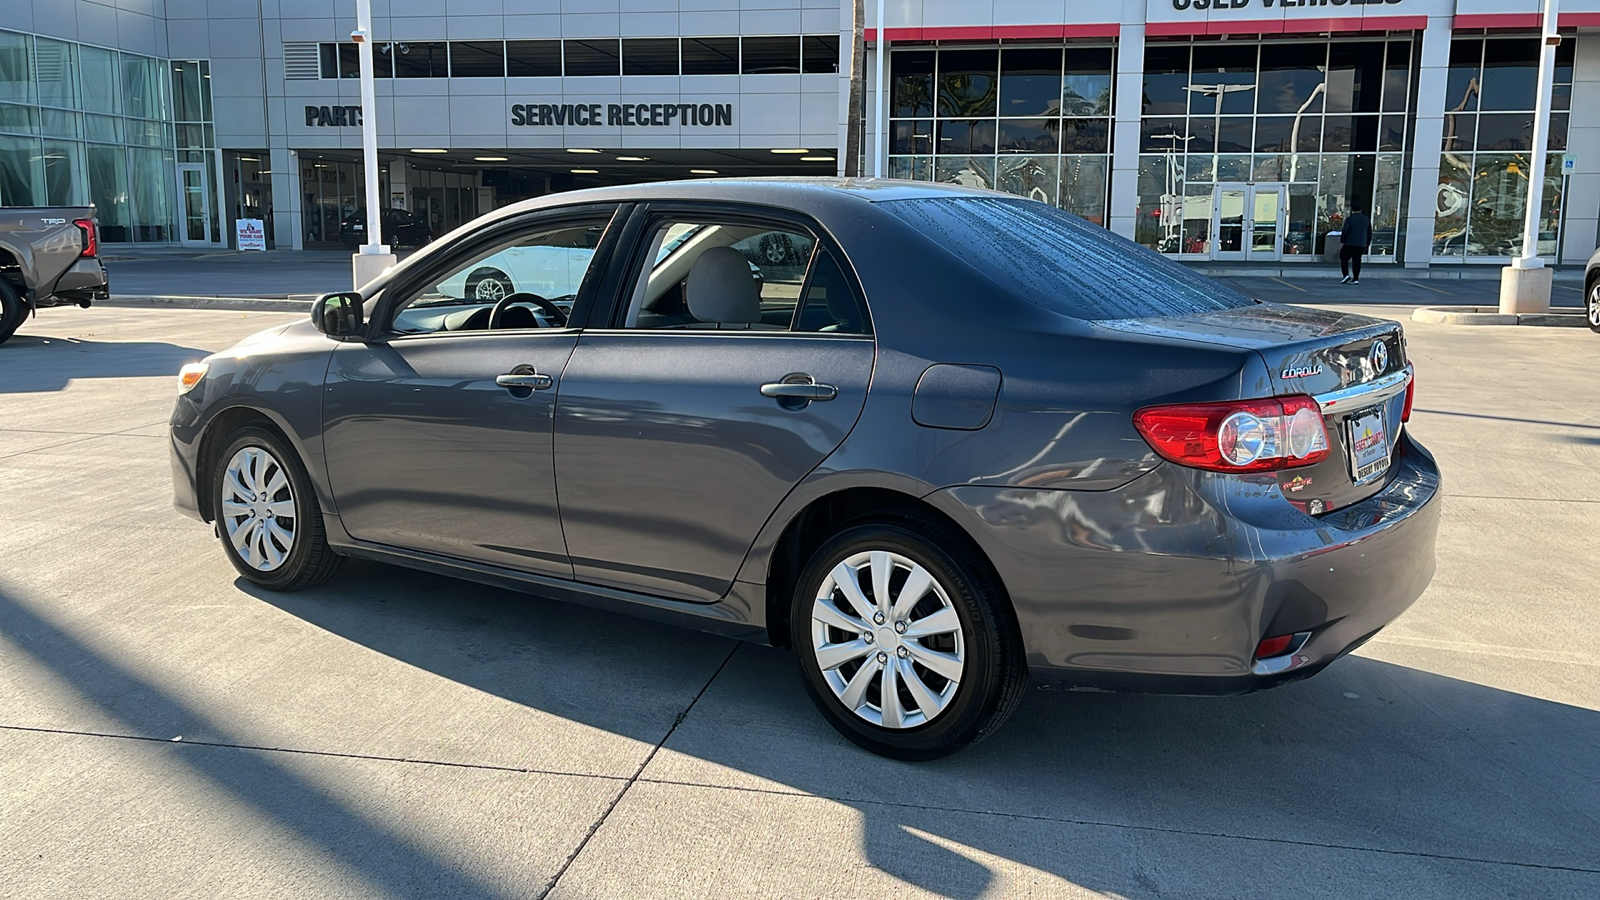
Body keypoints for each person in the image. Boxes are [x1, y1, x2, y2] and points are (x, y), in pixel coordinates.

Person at [1340, 207, 1371, 284]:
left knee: (1344, 258)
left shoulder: (1349, 219)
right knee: (1357, 260)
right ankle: (1356, 278)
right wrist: (1367, 242)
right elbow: (1369, 232)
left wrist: (1343, 240)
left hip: (1349, 243)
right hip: (1361, 244)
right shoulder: (1366, 219)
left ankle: (1346, 274)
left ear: (1352, 210)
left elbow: (1345, 230)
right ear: (1360, 210)